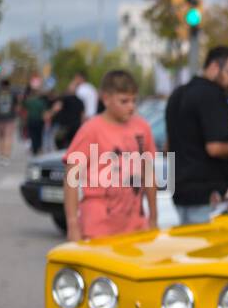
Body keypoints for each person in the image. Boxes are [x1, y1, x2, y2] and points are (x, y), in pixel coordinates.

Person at [62, 70, 157, 242]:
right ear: (106, 99)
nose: (131, 106)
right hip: (98, 227)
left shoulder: (143, 127)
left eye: (134, 100)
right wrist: (73, 225)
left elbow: (149, 175)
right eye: (124, 101)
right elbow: (71, 178)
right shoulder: (91, 129)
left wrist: (153, 218)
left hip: (135, 227)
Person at [165, 45, 228, 225]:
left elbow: (168, 146)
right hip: (208, 196)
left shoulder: (177, 94)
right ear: (214, 67)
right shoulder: (212, 95)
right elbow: (215, 148)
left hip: (180, 193)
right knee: (209, 251)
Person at [49, 79, 86, 150]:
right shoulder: (80, 101)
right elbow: (83, 116)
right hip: (76, 127)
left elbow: (57, 107)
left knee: (61, 146)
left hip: (65, 127)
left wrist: (50, 114)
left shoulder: (65, 98)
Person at [0, 78, 17, 163]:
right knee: (8, 137)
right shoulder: (13, 93)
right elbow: (16, 106)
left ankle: (1, 154)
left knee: (0, 137)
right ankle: (7, 155)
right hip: (10, 117)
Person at [23, 85, 48, 156]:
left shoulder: (28, 102)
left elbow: (24, 111)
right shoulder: (41, 102)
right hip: (39, 121)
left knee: (32, 135)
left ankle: (34, 149)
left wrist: (24, 120)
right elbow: (44, 113)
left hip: (30, 120)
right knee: (39, 135)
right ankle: (39, 148)